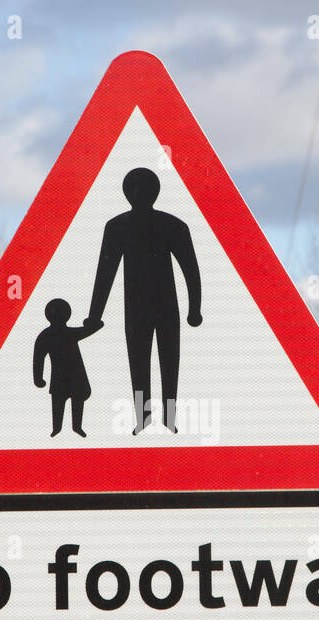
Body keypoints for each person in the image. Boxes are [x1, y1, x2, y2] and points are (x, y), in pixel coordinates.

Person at [86, 167, 201, 434]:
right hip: (135, 309)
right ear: (128, 193)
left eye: (145, 189)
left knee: (169, 361)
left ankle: (170, 420)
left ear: (154, 192)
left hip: (167, 308)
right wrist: (94, 316)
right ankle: (144, 419)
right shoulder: (117, 228)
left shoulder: (173, 225)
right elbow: (105, 274)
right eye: (135, 189)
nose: (140, 195)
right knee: (138, 363)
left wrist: (194, 309)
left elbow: (190, 269)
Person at [33, 298, 103, 437]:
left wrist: (95, 324)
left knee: (75, 401)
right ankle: (57, 429)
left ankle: (76, 427)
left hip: (74, 377)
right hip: (62, 377)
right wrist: (38, 378)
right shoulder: (47, 336)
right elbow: (38, 358)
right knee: (59, 402)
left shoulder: (52, 335)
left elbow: (38, 358)